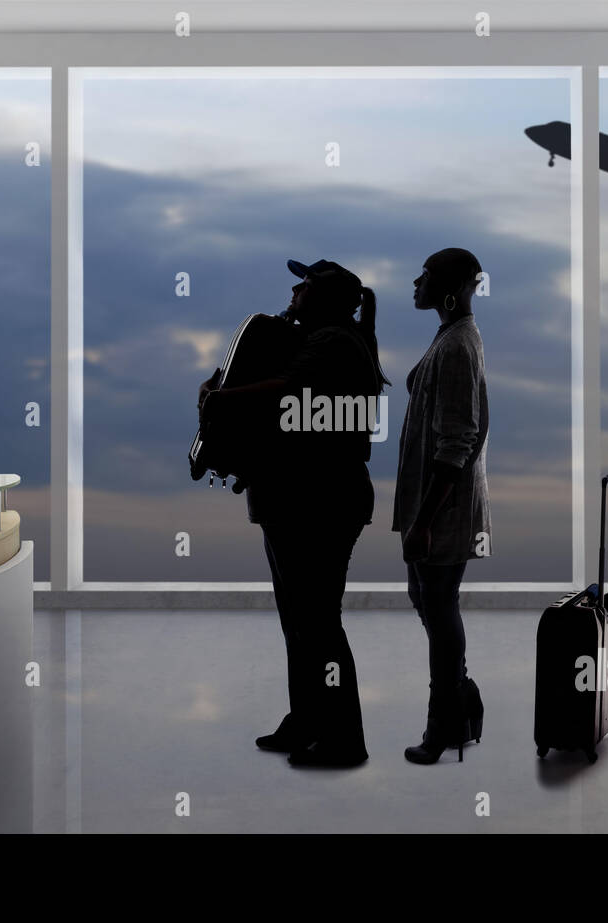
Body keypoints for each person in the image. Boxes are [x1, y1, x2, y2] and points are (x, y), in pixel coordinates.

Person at [198, 259, 390, 768]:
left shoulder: (332, 344)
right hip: (303, 499)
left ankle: (344, 738)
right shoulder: (329, 340)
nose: (294, 290)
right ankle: (307, 720)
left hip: (318, 502)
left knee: (318, 624)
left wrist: (220, 400)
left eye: (304, 284)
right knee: (301, 623)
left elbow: (287, 393)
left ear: (323, 296)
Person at [393, 247, 490, 765]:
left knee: (439, 604)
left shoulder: (456, 346)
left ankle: (443, 725)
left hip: (443, 509)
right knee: (432, 603)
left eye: (425, 276)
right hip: (432, 504)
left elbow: (457, 440)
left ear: (449, 289)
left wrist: (425, 521)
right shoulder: (451, 337)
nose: (416, 281)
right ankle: (461, 701)